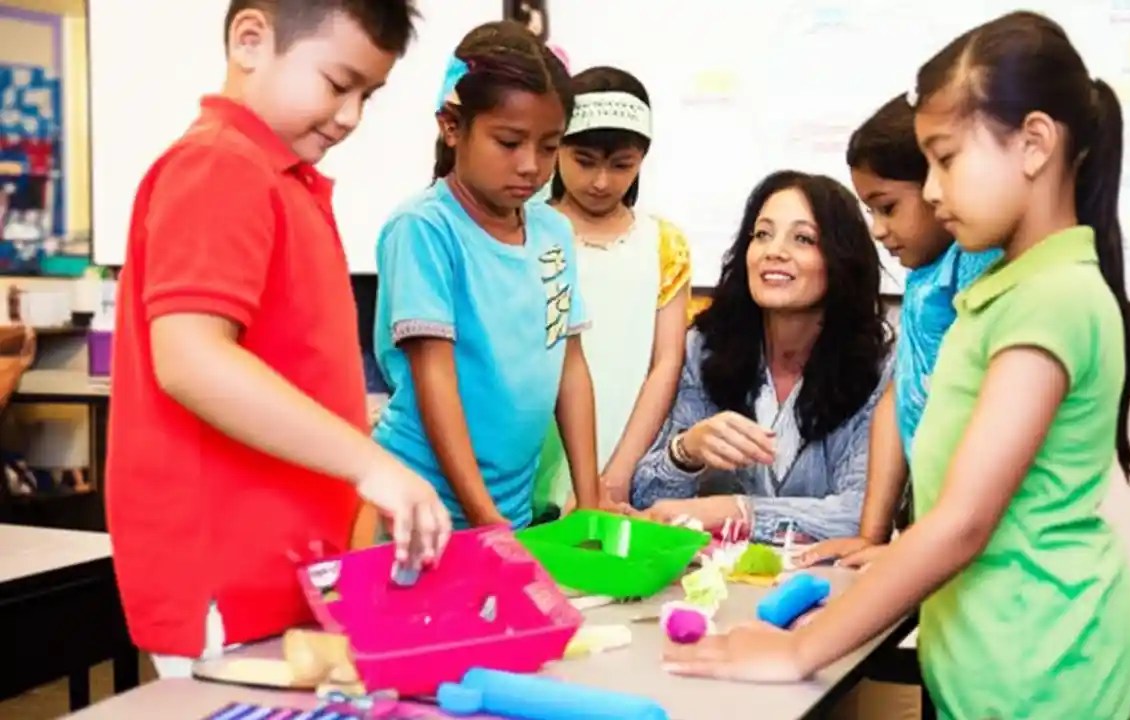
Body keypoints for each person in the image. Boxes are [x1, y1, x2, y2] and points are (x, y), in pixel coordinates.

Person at [663, 12, 1130, 719]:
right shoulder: (1001, 292)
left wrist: (800, 650)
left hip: (1040, 664)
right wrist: (877, 560)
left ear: (1036, 144)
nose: (930, 192)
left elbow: (963, 522)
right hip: (992, 649)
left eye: (946, 160)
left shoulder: (1052, 300)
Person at [107, 0, 449, 678]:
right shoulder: (219, 165)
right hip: (224, 579)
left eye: (367, 96)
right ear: (251, 40)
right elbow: (191, 358)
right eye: (336, 83)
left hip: (280, 577)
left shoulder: (280, 178)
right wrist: (372, 464)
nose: (350, 115)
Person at [371, 20, 601, 532]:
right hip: (425, 507)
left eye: (548, 146)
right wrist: (482, 517)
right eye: (510, 142)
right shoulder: (425, 229)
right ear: (453, 127)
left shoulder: (553, 233)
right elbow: (436, 377)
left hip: (508, 511)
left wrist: (590, 502)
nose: (532, 166)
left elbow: (569, 367)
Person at [630, 170, 892, 545]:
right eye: (762, 234)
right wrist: (685, 452)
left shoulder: (880, 365)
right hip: (710, 585)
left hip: (822, 589)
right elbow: (648, 501)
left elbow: (860, 516)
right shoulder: (705, 346)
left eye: (803, 239)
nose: (774, 251)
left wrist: (739, 510)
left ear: (841, 259)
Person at [798, 94, 1000, 568]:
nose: (877, 229)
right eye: (870, 211)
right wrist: (872, 534)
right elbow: (899, 397)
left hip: (975, 525)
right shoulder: (923, 276)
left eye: (888, 207)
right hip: (927, 517)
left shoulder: (974, 265)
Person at [531, 66, 690, 520]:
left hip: (627, 456)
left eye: (621, 165)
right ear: (557, 146)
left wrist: (617, 472)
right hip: (532, 461)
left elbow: (666, 362)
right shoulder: (528, 230)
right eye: (584, 160)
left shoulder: (664, 243)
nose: (601, 181)